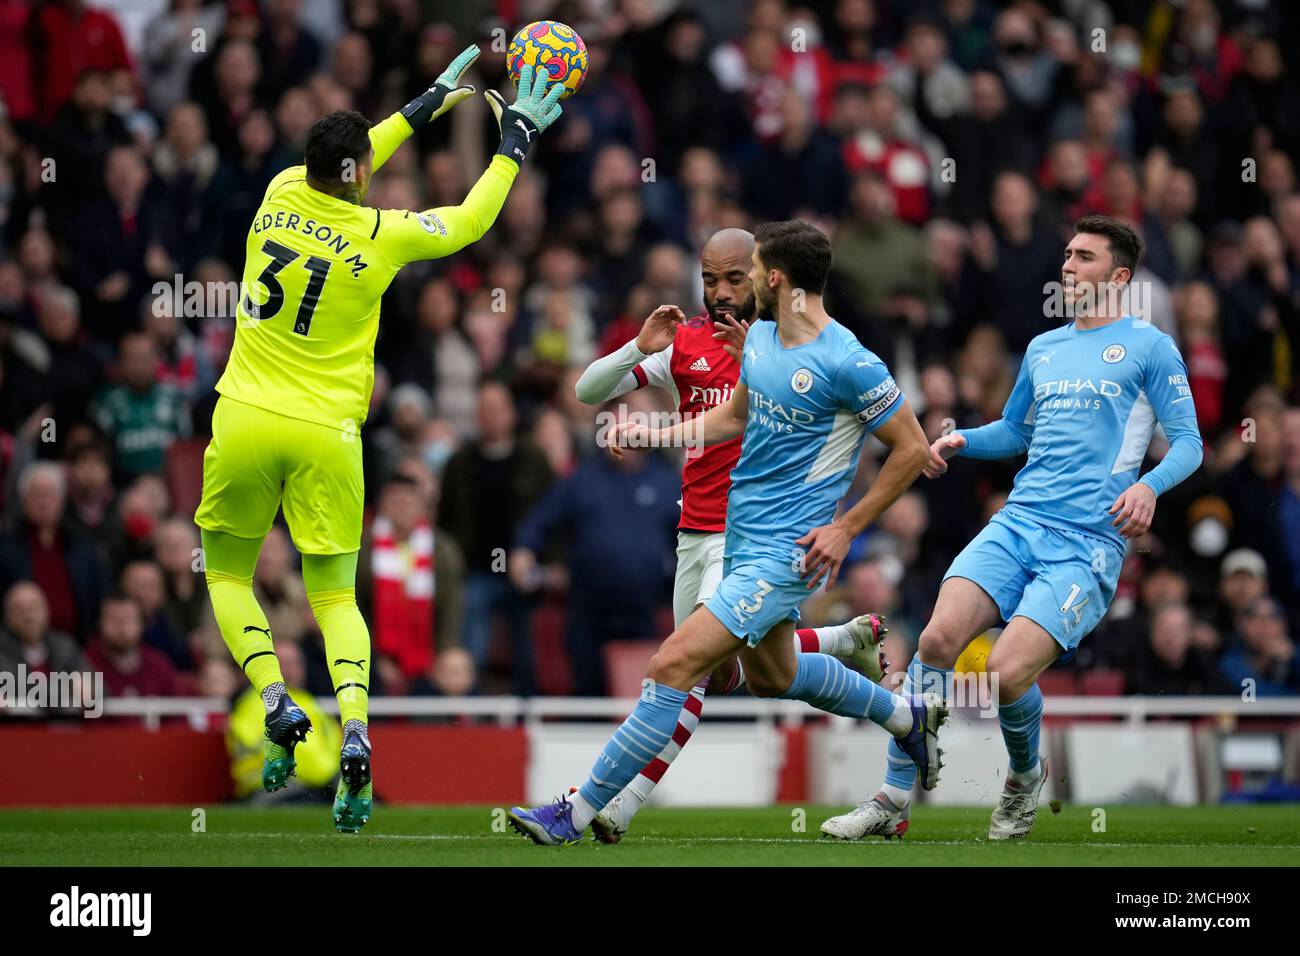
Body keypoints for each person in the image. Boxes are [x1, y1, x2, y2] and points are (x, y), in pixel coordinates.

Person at [192, 46, 566, 833]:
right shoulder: (380, 237)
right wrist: (515, 141)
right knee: (333, 594)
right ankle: (355, 725)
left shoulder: (279, 190)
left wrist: (429, 101)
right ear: (362, 175)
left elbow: (355, 154)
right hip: (328, 432)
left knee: (227, 577)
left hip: (244, 415)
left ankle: (271, 698)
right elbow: (469, 220)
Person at [508, 218, 941, 845]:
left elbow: (911, 449)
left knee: (674, 664)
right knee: (770, 676)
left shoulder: (850, 360)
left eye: (748, 270)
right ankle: (905, 715)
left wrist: (845, 528)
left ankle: (575, 813)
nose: (725, 288)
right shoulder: (760, 340)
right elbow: (732, 417)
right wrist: (654, 436)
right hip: (733, 538)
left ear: (776, 278)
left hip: (782, 554)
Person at [821, 215, 1204, 842]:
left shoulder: (1149, 346)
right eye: (1068, 255)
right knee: (938, 640)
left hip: (1087, 543)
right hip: (1019, 521)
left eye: (1084, 257)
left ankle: (1025, 779)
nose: (1069, 266)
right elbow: (1017, 432)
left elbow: (1189, 443)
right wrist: (965, 438)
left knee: (1002, 674)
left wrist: (1147, 486)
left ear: (1120, 276)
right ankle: (892, 798)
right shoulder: (1043, 348)